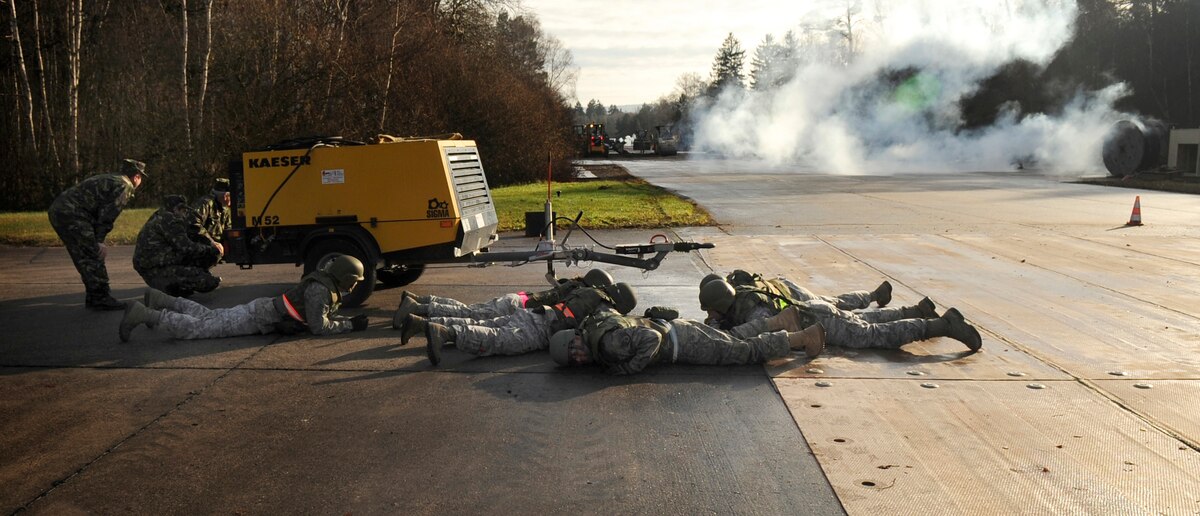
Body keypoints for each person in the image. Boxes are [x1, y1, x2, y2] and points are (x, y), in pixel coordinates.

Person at [119, 254, 369, 341]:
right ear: (344, 276)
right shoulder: (321, 290)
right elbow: (319, 326)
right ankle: (145, 313)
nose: (354, 285)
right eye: (354, 280)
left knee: (208, 317)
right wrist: (350, 325)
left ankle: (160, 299)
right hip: (260, 318)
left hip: (262, 312)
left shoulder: (325, 283)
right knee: (198, 329)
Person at [699, 279, 982, 352]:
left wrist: (722, 332)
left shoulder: (753, 310)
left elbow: (757, 334)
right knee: (868, 323)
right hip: (817, 313)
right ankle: (917, 312)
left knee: (873, 336)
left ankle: (944, 325)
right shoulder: (745, 298)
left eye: (711, 309)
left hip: (819, 320)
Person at [398, 282, 638, 366]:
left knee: (477, 319)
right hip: (540, 328)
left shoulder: (585, 292)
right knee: (494, 339)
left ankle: (422, 323)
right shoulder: (603, 308)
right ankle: (445, 333)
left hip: (533, 313)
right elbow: (595, 334)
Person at [547, 306, 826, 375]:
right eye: (574, 359)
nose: (580, 357)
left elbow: (650, 338)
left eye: (576, 350)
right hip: (681, 331)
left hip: (684, 344)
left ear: (576, 339)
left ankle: (801, 338)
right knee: (731, 338)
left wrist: (629, 369)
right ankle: (779, 321)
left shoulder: (606, 344)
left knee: (744, 352)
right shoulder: (599, 324)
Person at [48, 158, 147, 310]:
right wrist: (99, 240)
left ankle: (94, 296)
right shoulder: (124, 185)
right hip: (74, 214)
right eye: (141, 177)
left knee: (83, 255)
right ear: (137, 176)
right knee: (93, 254)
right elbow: (108, 215)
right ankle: (101, 298)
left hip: (60, 211)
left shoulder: (111, 178)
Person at [391, 268, 614, 328]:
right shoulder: (578, 292)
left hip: (518, 300)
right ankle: (418, 308)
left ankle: (421, 302)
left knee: (469, 310)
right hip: (517, 305)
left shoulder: (571, 285)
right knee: (470, 314)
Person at [132, 195, 224, 297]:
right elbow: (186, 248)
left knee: (198, 261)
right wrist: (211, 249)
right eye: (183, 210)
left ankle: (177, 287)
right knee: (206, 281)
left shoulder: (159, 215)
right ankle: (175, 285)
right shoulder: (171, 220)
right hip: (157, 269)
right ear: (176, 209)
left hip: (152, 266)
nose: (185, 214)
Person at [703, 269, 892, 311]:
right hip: (780, 286)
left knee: (832, 303)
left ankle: (875, 295)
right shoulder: (731, 286)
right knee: (830, 301)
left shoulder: (745, 302)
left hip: (791, 295)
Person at [191, 178, 232, 245]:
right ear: (225, 196)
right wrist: (211, 242)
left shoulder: (226, 209)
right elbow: (194, 225)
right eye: (231, 196)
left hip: (218, 250)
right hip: (202, 248)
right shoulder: (205, 204)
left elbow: (228, 228)